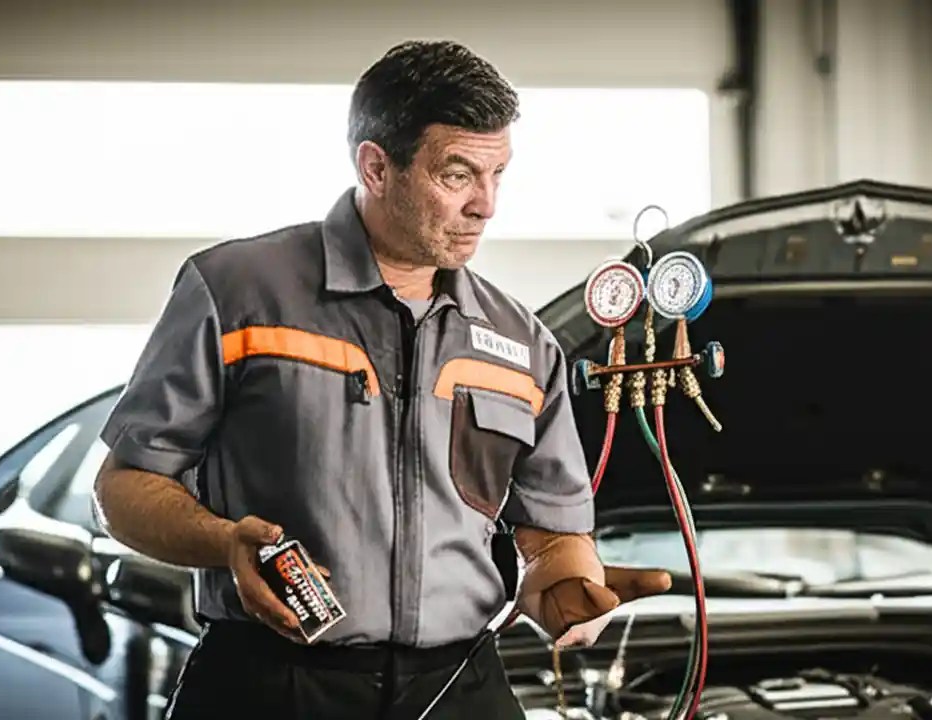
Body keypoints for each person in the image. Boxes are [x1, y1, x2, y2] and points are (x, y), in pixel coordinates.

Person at [92, 39, 672, 719]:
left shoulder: (520, 342)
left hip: (460, 687)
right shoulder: (237, 293)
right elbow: (123, 485)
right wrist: (224, 543)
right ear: (376, 166)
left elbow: (550, 532)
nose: (485, 205)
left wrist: (565, 584)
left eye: (498, 175)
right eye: (458, 175)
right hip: (271, 685)